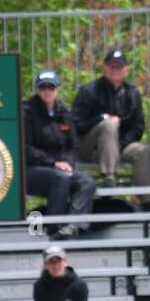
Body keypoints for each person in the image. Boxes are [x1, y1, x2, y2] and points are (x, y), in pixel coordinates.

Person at [71, 47, 150, 194]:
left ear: (126, 70)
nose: (115, 70)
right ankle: (110, 177)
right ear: (104, 68)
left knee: (144, 151)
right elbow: (75, 124)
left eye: (119, 67)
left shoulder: (133, 93)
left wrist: (118, 147)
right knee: (109, 125)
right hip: (89, 149)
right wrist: (101, 119)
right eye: (111, 66)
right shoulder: (89, 91)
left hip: (120, 147)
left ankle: (149, 202)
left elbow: (138, 127)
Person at [24, 69, 95, 239]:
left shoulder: (64, 113)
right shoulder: (27, 112)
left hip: (60, 167)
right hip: (32, 169)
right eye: (43, 87)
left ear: (57, 89)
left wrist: (68, 164)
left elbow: (73, 146)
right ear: (36, 89)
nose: (47, 91)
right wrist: (53, 164)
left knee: (87, 182)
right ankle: (53, 228)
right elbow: (26, 148)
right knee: (60, 178)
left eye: (51, 87)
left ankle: (73, 225)